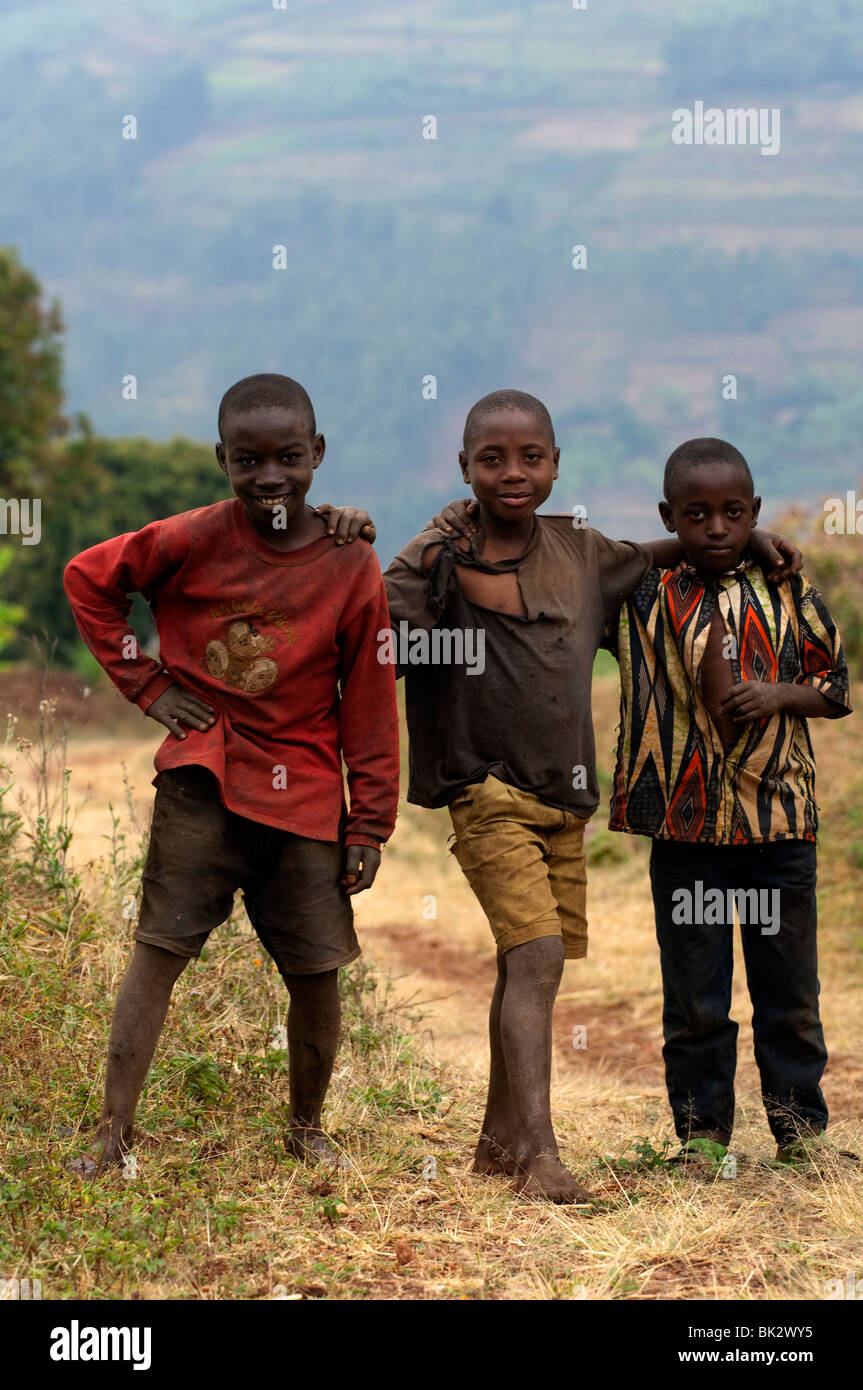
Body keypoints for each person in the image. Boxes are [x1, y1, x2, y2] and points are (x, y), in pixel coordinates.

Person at [319, 394, 798, 1200]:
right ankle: (540, 1158)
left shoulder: (579, 553)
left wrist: (743, 536)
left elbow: (662, 553)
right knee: (535, 956)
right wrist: (339, 534)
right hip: (486, 792)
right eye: (493, 459)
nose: (514, 473)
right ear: (464, 468)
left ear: (555, 462)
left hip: (562, 799)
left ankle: (497, 1141)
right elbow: (364, 628)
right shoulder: (433, 557)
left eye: (530, 457)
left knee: (529, 965)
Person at [63, 373, 399, 1174]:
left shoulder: (351, 564)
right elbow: (87, 580)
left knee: (317, 973)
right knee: (159, 950)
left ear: (317, 454)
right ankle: (111, 1139)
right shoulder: (189, 538)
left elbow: (370, 697)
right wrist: (149, 685)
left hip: (307, 796)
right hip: (202, 781)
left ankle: (307, 1130)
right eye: (248, 460)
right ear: (222, 460)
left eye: (288, 457)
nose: (270, 476)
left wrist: (371, 820)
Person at [607, 437, 852, 1166]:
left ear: (754, 510)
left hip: (777, 829)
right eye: (696, 514)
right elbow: (588, 556)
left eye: (733, 513)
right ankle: (703, 1137)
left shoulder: (786, 590)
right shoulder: (642, 595)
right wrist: (701, 542)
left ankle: (800, 1136)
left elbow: (834, 687)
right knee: (694, 1000)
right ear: (667, 515)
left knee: (789, 994)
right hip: (684, 837)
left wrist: (780, 693)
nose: (716, 529)